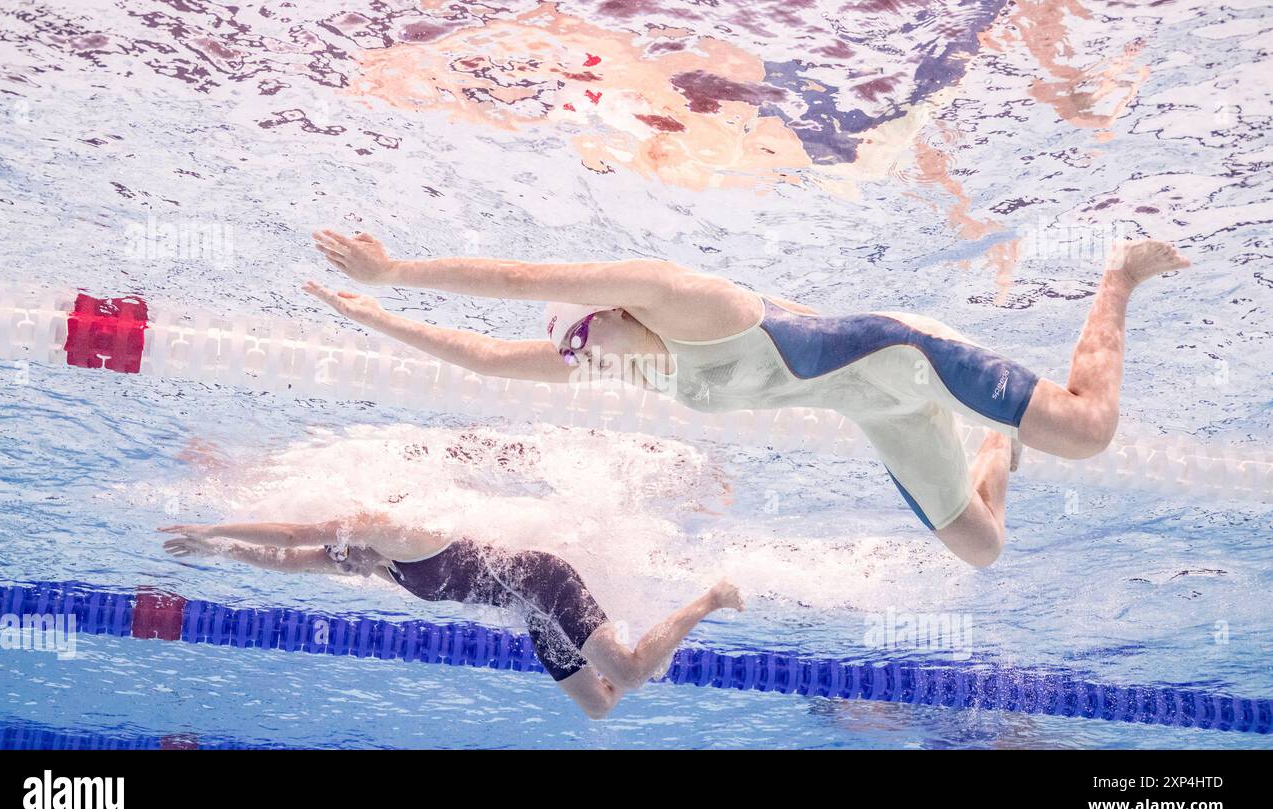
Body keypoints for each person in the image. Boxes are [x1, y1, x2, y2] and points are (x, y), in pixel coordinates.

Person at [306, 230, 1190, 568]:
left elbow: (522, 274)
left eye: (580, 338)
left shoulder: (683, 299)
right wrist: (380, 319)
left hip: (906, 352)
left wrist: (397, 269)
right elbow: (490, 362)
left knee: (1090, 430)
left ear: (611, 312)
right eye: (571, 352)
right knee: (981, 548)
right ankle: (998, 448)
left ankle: (1118, 272)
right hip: (879, 407)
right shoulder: (629, 362)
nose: (581, 359)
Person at [160, 515, 742, 719]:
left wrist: (213, 528)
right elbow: (287, 560)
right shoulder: (376, 564)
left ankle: (710, 597)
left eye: (344, 551)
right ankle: (608, 652)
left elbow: (293, 534)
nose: (342, 563)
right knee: (599, 706)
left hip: (546, 582)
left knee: (634, 673)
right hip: (531, 612)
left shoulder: (399, 534)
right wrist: (219, 552)